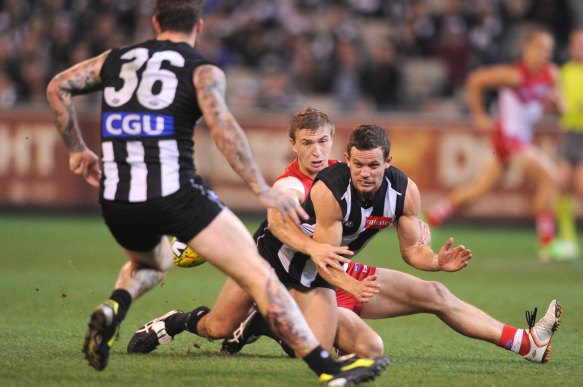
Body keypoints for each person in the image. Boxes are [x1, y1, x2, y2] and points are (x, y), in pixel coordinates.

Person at [45, 2, 388, 386]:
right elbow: (224, 130)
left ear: (155, 22)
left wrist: (77, 149)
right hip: (176, 192)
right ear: (200, 26)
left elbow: (58, 86)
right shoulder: (201, 69)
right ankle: (330, 369)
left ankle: (115, 305)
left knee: (152, 263)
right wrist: (260, 188)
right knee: (261, 275)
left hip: (117, 196)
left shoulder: (117, 59)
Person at [129, 115, 562, 364]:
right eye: (307, 143)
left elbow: (412, 248)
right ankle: (185, 320)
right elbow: (280, 226)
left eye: (323, 142)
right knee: (217, 327)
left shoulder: (396, 186)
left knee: (433, 293)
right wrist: (322, 254)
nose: (317, 151)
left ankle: (527, 344)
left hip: (331, 275)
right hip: (280, 273)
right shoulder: (306, 187)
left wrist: (433, 261)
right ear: (294, 146)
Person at [425, 26, 564, 261]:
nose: (544, 54)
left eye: (548, 50)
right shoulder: (515, 75)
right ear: (526, 49)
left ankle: (432, 217)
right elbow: (476, 79)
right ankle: (547, 245)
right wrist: (479, 114)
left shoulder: (550, 75)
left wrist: (557, 106)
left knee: (479, 189)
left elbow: (558, 110)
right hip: (510, 141)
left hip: (511, 142)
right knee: (549, 179)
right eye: (540, 48)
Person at [554, 29, 583, 260]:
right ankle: (568, 238)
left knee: (580, 187)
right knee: (561, 184)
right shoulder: (564, 71)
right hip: (569, 132)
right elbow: (559, 101)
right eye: (577, 44)